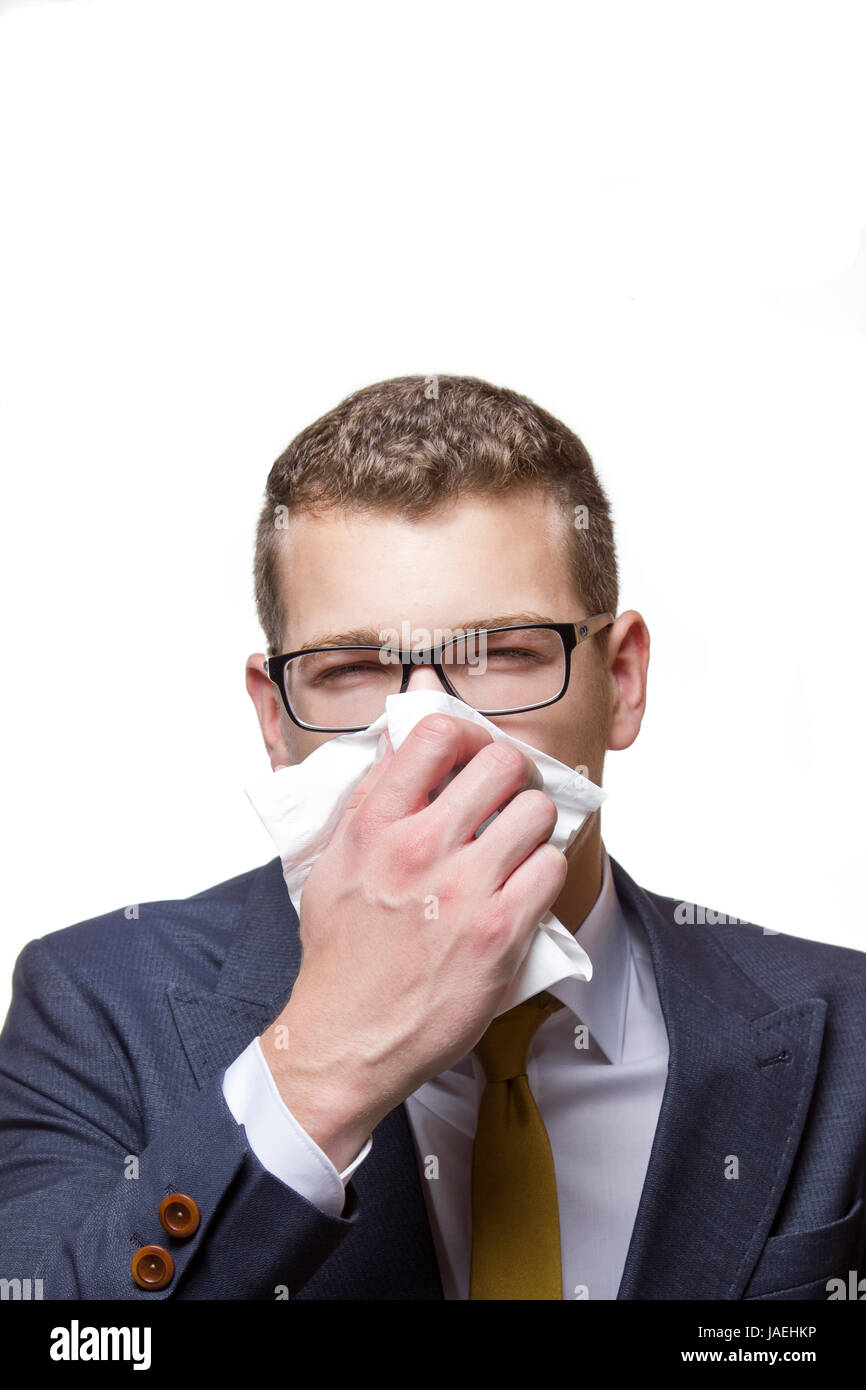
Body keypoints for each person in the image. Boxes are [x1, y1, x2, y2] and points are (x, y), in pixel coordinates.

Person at [1, 374, 864, 1301]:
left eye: (499, 654)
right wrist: (324, 1062)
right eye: (351, 668)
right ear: (272, 714)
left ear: (621, 680)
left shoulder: (849, 1032)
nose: (429, 733)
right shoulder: (95, 1008)